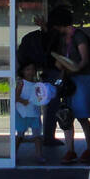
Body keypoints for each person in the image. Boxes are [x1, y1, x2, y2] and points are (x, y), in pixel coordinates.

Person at [47, 5, 90, 164]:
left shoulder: (79, 36)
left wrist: (74, 69)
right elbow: (62, 59)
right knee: (66, 116)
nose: (54, 28)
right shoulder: (62, 39)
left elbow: (84, 60)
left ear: (60, 23)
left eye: (55, 24)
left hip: (82, 79)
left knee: (82, 116)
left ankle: (89, 149)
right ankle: (70, 151)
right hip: (68, 79)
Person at [17, 13, 63, 148]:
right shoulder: (50, 38)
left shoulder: (31, 39)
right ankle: (47, 138)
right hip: (50, 74)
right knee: (51, 106)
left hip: (40, 76)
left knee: (44, 107)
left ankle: (27, 138)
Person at [14, 60, 55, 163]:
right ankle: (13, 154)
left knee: (37, 136)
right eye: (27, 69)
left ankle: (39, 155)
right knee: (20, 136)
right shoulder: (21, 83)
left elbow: (39, 97)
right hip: (22, 113)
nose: (30, 72)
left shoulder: (37, 84)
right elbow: (15, 97)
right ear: (22, 71)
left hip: (34, 113)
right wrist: (23, 101)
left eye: (32, 69)